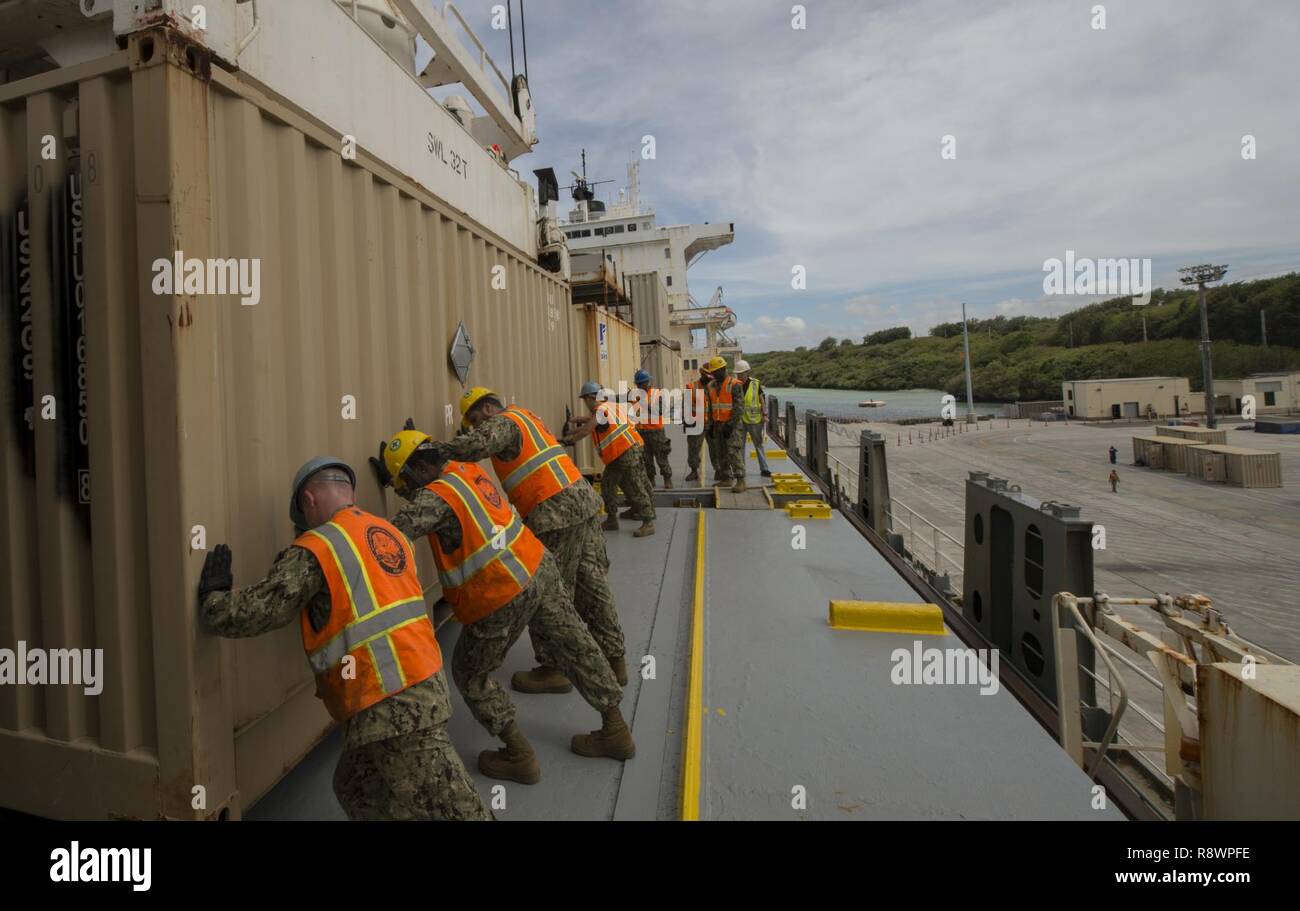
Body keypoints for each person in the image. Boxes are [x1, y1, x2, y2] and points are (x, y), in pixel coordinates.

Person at [198, 457, 490, 820]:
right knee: (357, 786)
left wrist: (215, 601)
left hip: (390, 702)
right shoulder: (386, 532)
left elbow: (261, 611)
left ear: (309, 499)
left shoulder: (318, 547)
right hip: (418, 680)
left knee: (454, 808)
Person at [377, 431, 635, 784]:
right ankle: (616, 728)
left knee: (470, 673)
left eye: (403, 481)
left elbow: (388, 541)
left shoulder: (433, 499)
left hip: (501, 591)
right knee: (575, 642)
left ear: (420, 468)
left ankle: (519, 755)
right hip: (537, 567)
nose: (404, 489)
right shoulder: (466, 470)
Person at [421, 388, 627, 696]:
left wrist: (431, 451)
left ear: (489, 410)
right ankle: (615, 659)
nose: (478, 427)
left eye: (478, 420)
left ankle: (554, 669)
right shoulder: (525, 416)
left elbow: (477, 445)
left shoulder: (503, 421)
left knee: (549, 594)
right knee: (591, 583)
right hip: (581, 502)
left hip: (554, 510)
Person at [564, 381, 656, 537]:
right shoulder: (608, 407)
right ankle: (613, 519)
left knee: (634, 485)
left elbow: (588, 429)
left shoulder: (601, 410)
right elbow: (592, 422)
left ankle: (648, 521)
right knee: (609, 484)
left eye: (585, 399)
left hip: (625, 452)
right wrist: (573, 426)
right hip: (624, 452)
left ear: (589, 398)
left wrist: (569, 440)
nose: (585, 403)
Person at [703, 355, 745, 492]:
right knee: (721, 452)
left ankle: (741, 480)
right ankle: (726, 478)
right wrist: (709, 425)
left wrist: (731, 425)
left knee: (733, 451)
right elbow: (710, 407)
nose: (716, 374)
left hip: (731, 426)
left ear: (724, 369)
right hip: (717, 425)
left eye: (718, 371)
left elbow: (739, 407)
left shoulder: (734, 384)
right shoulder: (711, 386)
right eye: (713, 372)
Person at [632, 369, 673, 489]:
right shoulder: (635, 395)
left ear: (647, 382)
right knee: (646, 459)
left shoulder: (657, 393)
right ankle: (651, 479)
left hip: (656, 432)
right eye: (638, 384)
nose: (640, 386)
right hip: (642, 432)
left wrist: (644, 403)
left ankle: (667, 478)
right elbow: (620, 398)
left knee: (661, 456)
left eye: (642, 384)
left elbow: (659, 411)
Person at [735, 359, 771, 479]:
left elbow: (762, 399)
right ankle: (741, 469)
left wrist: (765, 414)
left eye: (741, 374)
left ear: (747, 372)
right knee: (741, 446)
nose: (739, 376)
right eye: (738, 374)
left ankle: (764, 469)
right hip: (740, 421)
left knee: (758, 444)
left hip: (754, 420)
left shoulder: (756, 383)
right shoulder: (735, 384)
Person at [683, 364, 711, 485]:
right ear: (702, 374)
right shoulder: (692, 387)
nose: (709, 378)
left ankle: (721, 471)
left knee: (716, 449)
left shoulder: (715, 387)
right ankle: (694, 470)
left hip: (712, 423)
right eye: (707, 376)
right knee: (693, 448)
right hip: (696, 423)